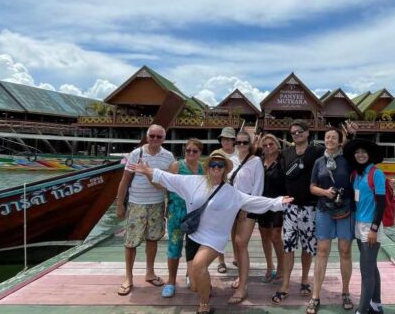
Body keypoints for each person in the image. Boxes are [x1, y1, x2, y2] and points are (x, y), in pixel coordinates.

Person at [132, 149, 293, 314]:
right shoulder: (194, 182)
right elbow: (168, 178)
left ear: (224, 169)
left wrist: (279, 202)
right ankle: (203, 284)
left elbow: (255, 202)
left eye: (220, 165)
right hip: (194, 236)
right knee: (194, 285)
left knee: (198, 265)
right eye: (213, 165)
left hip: (214, 239)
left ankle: (204, 305)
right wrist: (147, 171)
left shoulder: (231, 193)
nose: (216, 168)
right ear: (208, 167)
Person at [115, 124, 175, 296]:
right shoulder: (136, 154)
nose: (155, 139)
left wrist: (170, 204)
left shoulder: (168, 156)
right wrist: (120, 204)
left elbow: (170, 183)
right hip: (136, 203)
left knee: (153, 239)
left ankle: (150, 272)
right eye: (152, 135)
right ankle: (128, 277)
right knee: (130, 242)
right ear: (147, 136)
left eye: (159, 136)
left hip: (157, 203)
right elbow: (125, 180)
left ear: (164, 138)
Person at [273, 120, 324, 304]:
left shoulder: (317, 151)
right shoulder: (286, 154)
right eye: (293, 132)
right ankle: (285, 284)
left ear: (308, 133)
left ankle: (304, 280)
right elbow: (277, 177)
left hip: (310, 206)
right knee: (288, 247)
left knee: (308, 247)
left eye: (300, 131)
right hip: (291, 207)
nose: (296, 134)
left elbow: (338, 157)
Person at [307, 128, 355, 313]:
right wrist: (325, 192)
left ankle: (345, 292)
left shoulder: (348, 160)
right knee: (322, 251)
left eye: (334, 137)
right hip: (324, 210)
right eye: (327, 137)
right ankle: (315, 295)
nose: (330, 140)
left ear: (339, 140)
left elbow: (361, 176)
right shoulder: (319, 161)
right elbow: (312, 187)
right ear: (324, 140)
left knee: (345, 251)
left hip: (345, 210)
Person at [344, 138, 387, 314]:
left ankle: (362, 310)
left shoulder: (376, 173)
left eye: (364, 152)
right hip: (358, 224)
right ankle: (376, 304)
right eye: (357, 152)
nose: (360, 155)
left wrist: (374, 229)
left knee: (366, 270)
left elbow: (381, 203)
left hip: (371, 226)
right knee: (371, 266)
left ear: (369, 155)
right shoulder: (356, 173)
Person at [161, 138, 205, 298]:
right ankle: (171, 281)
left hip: (195, 213)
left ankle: (189, 274)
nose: (191, 153)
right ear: (184, 151)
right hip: (177, 211)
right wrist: (166, 207)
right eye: (188, 150)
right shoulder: (176, 166)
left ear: (200, 152)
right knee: (174, 246)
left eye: (195, 151)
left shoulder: (202, 168)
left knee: (194, 246)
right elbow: (167, 186)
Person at [227, 131, 264, 304]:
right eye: (238, 142)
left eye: (244, 142)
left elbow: (258, 187)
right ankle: (241, 277)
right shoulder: (232, 161)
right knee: (235, 243)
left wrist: (247, 207)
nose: (241, 145)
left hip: (247, 207)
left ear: (250, 144)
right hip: (231, 206)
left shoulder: (256, 161)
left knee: (242, 243)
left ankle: (243, 286)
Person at [252, 133, 285, 285]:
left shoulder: (282, 160)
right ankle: (269, 267)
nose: (268, 147)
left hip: (277, 202)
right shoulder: (259, 161)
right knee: (264, 236)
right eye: (265, 145)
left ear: (277, 145)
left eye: (271, 144)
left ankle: (281, 267)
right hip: (262, 202)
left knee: (276, 236)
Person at [216, 126, 237, 274]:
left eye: (229, 139)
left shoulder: (240, 152)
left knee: (236, 230)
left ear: (233, 140)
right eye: (223, 139)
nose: (226, 141)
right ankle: (221, 261)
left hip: (235, 195)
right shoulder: (216, 154)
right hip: (220, 195)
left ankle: (237, 257)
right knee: (220, 229)